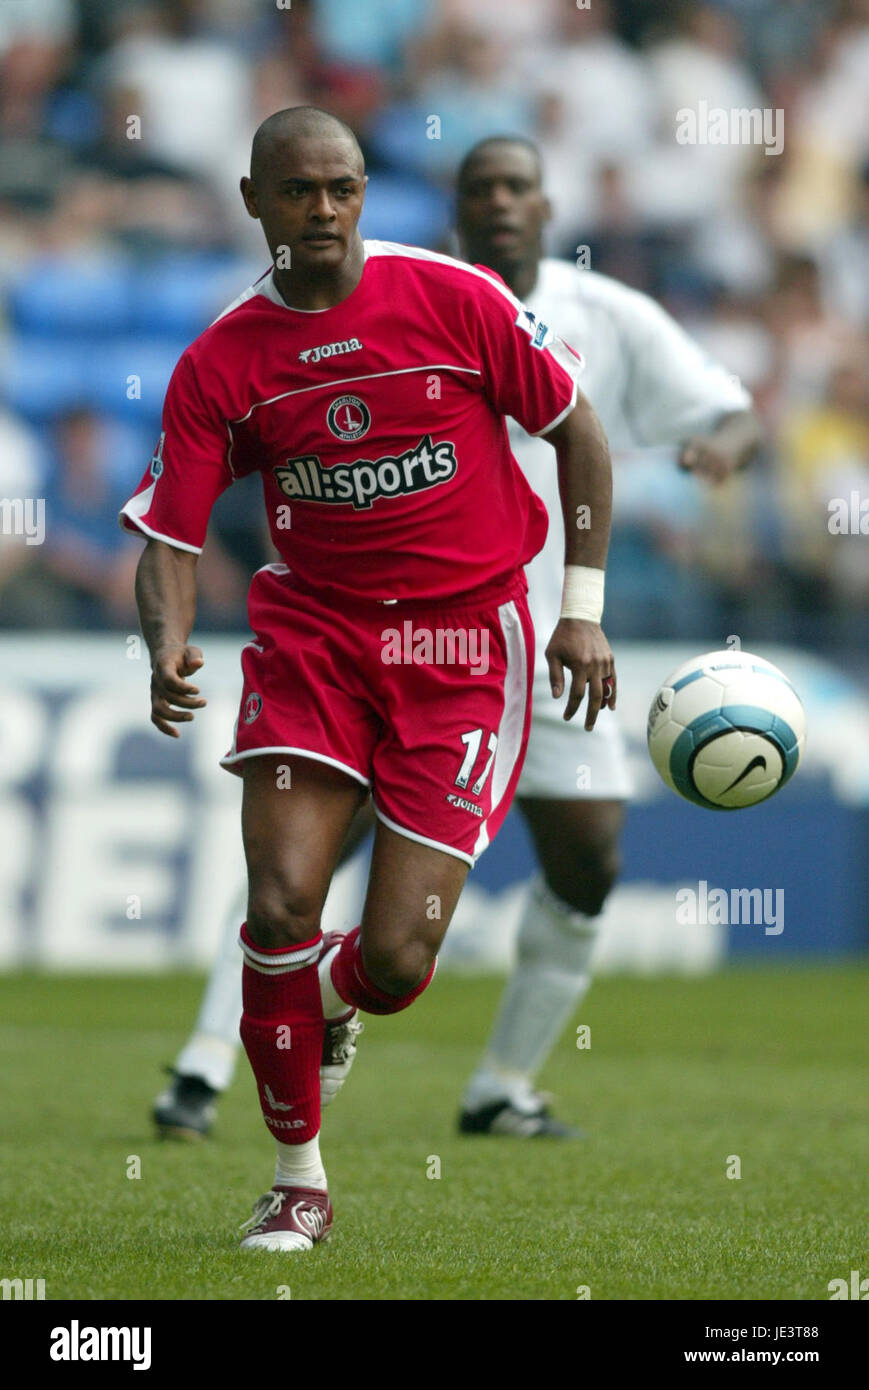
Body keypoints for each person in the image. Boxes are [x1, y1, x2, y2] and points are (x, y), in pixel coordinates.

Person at [154, 133, 762, 1144]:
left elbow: (725, 410)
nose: (501, 203)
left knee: (586, 861)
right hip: (368, 639)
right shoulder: (397, 299)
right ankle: (207, 1065)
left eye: (517, 185)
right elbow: (182, 505)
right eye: (479, 187)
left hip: (526, 642)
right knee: (296, 876)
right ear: (457, 205)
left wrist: (711, 454)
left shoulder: (603, 315)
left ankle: (499, 1084)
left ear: (545, 203)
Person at [124, 107, 615, 1250]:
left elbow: (579, 435)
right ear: (255, 203)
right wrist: (165, 642)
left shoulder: (455, 299)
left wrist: (579, 615)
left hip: (460, 647)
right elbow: (171, 536)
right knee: (281, 902)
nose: (327, 212)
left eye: (343, 188)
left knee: (394, 962)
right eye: (299, 193)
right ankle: (297, 1180)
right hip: (316, 641)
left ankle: (326, 1004)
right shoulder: (222, 360)